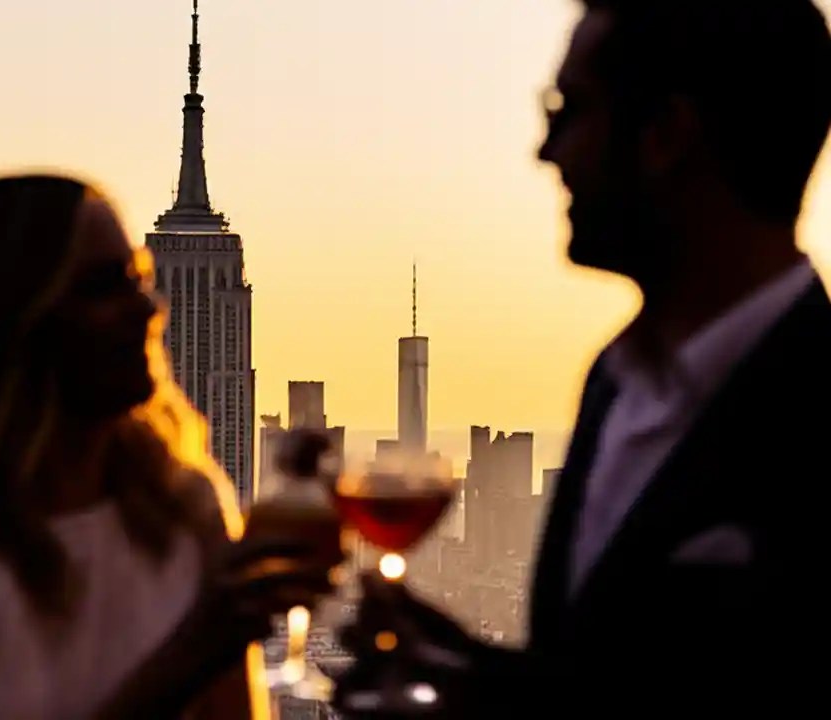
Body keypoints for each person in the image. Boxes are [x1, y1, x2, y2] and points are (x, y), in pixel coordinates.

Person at [335, 0, 831, 716]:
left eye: (570, 110)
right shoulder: (614, 385)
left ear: (666, 135)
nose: (549, 152)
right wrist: (461, 674)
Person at [0, 175, 333, 720]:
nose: (149, 310)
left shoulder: (184, 504)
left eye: (139, 279)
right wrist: (193, 652)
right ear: (12, 325)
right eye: (103, 286)